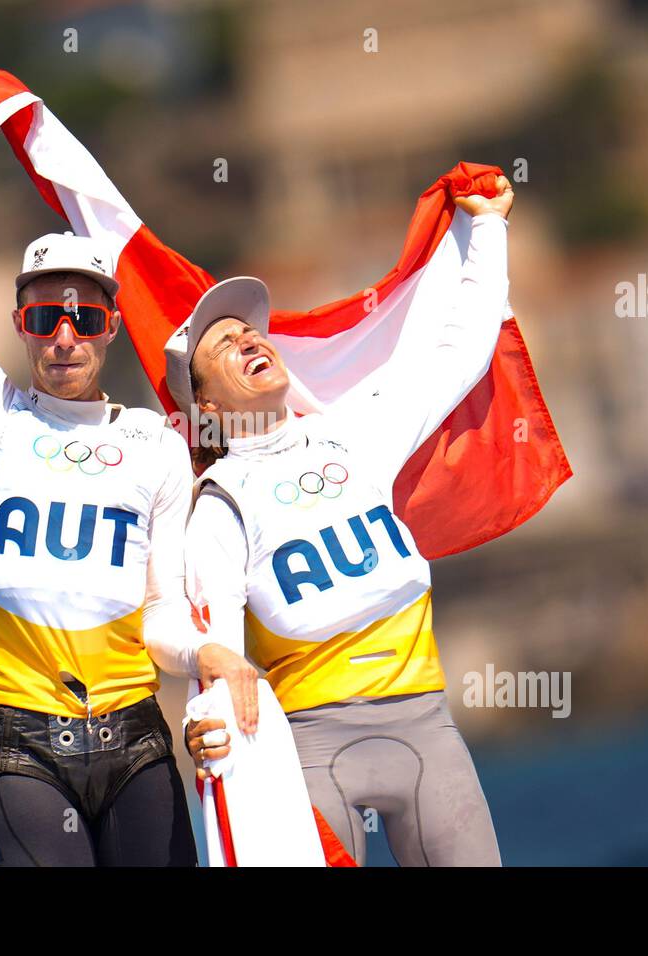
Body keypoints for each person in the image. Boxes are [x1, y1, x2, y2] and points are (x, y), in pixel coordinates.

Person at [0, 71, 249, 866]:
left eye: (84, 316)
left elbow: (160, 616)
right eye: (45, 315)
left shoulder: (157, 446)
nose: (64, 334)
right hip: (18, 747)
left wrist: (208, 656)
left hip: (135, 741)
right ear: (21, 324)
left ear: (112, 330)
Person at [174, 178, 515, 866]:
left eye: (250, 332)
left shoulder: (355, 432)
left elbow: (463, 348)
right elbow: (215, 658)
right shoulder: (220, 503)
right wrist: (200, 730)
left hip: (426, 724)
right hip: (308, 750)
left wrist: (491, 229)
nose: (248, 341)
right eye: (224, 348)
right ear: (204, 405)